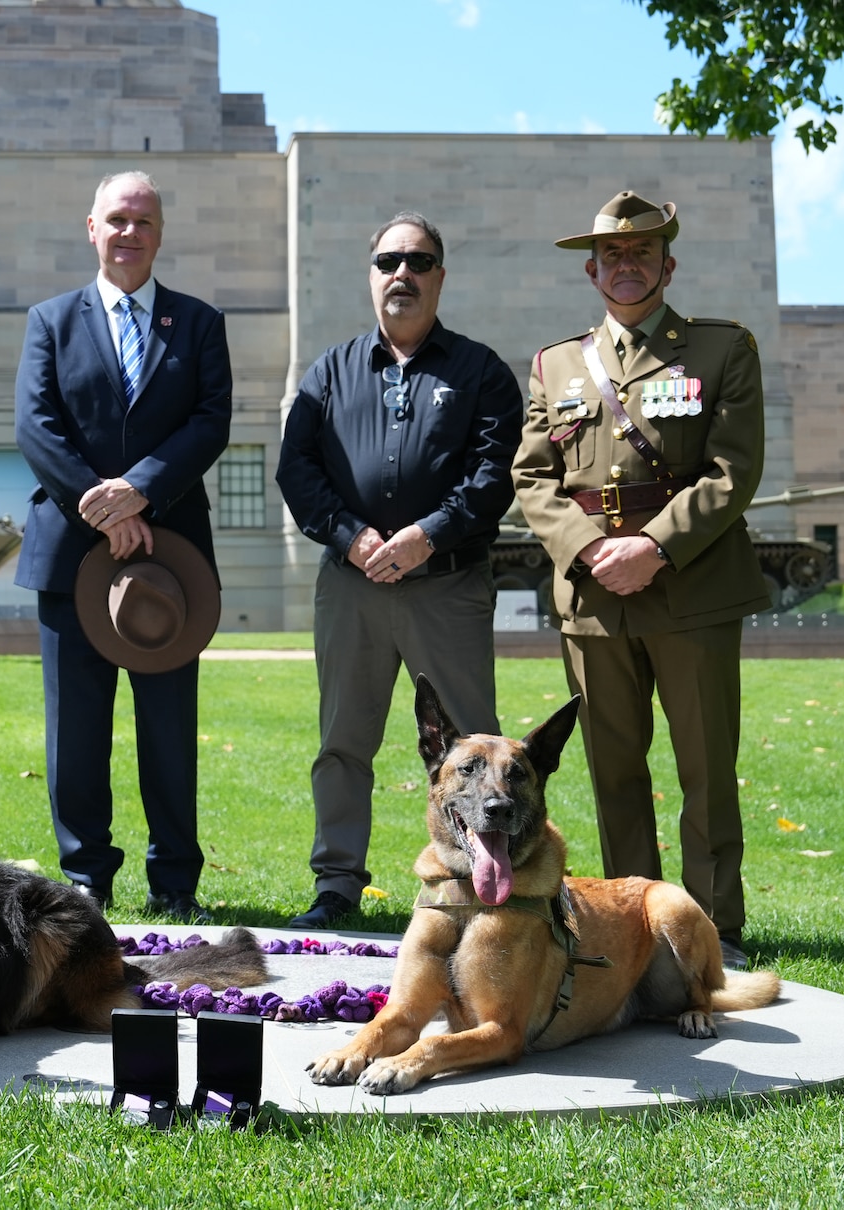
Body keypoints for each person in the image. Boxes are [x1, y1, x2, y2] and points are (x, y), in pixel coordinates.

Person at [511, 191, 770, 969]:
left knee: (704, 767)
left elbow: (735, 470)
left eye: (643, 253)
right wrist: (591, 551)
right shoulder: (555, 364)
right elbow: (532, 477)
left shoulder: (722, 349)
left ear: (668, 264)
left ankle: (715, 926)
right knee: (614, 770)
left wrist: (654, 546)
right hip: (594, 599)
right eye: (614, 255)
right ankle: (636, 927)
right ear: (593, 270)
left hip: (689, 587)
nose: (628, 266)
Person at [275, 211, 524, 930]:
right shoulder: (330, 372)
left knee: (477, 752)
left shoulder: (478, 372)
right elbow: (299, 469)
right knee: (342, 741)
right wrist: (352, 538)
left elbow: (492, 475)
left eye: (418, 262)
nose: (402, 275)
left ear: (440, 277)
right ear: (371, 275)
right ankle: (336, 886)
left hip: (445, 585)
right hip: (352, 588)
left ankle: (481, 884)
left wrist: (425, 535)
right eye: (388, 262)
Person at [14, 171, 232, 923]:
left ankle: (175, 880)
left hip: (170, 561)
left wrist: (141, 490)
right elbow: (36, 427)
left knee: (168, 731)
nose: (129, 232)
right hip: (70, 556)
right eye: (116, 219)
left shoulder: (199, 323)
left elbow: (209, 423)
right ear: (92, 229)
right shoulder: (50, 321)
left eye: (143, 220)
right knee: (75, 731)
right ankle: (86, 877)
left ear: (160, 232)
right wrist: (105, 511)